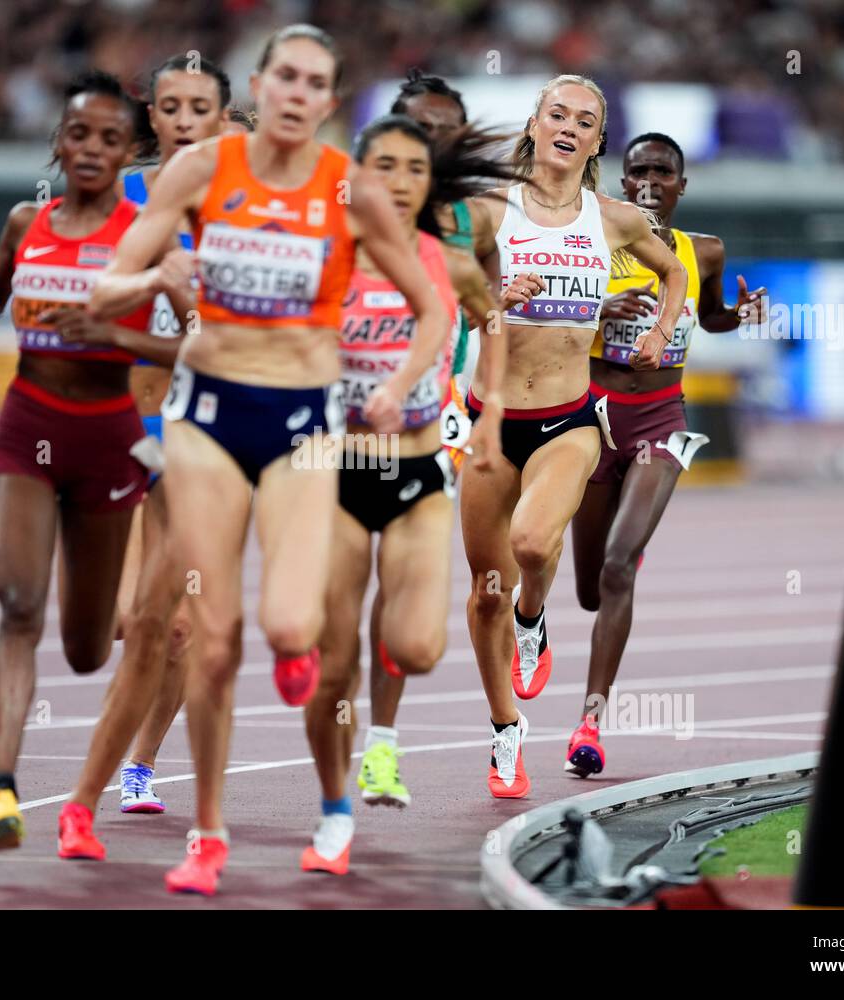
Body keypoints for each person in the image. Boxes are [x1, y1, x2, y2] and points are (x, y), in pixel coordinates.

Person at [77, 25, 451, 896]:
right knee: (207, 637)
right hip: (207, 416)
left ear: (327, 102)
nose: (294, 91)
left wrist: (397, 383)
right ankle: (205, 838)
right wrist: (161, 277)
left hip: (304, 426)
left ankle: (304, 700)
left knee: (292, 629)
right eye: (282, 74)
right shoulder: (203, 170)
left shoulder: (348, 190)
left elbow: (431, 311)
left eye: (313, 82)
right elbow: (108, 284)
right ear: (261, 82)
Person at [0, 71, 177, 849]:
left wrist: (116, 335)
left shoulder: (147, 235)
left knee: (86, 649)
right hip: (26, 425)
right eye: (78, 134)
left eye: (110, 139)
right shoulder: (26, 223)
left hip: (109, 436)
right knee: (18, 608)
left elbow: (194, 344)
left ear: (127, 152)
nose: (90, 149)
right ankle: (1, 791)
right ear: (59, 141)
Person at [302, 114, 518, 873]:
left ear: (430, 186)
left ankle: (383, 742)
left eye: (414, 170)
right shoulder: (322, 258)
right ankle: (335, 813)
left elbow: (495, 325)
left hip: (420, 468)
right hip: (334, 470)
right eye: (383, 166)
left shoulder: (448, 263)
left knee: (415, 644)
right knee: (332, 659)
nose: (397, 182)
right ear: (356, 176)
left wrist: (487, 414)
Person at [464, 74, 687, 799]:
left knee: (531, 546)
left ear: (596, 141)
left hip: (567, 419)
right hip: (490, 417)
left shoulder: (615, 218)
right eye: (556, 113)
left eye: (584, 120)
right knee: (485, 590)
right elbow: (441, 297)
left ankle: (536, 616)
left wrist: (658, 328)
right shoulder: (487, 209)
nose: (568, 126)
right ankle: (506, 732)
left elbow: (674, 271)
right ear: (533, 124)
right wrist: (490, 302)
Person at [50, 58, 235, 855]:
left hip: (202, 435)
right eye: (172, 108)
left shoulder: (247, 214)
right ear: (152, 118)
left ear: (226, 119)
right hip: (116, 427)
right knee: (123, 622)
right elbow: (68, 309)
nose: (187, 120)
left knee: (183, 629)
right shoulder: (116, 201)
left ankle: (138, 769)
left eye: (204, 108)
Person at [566, 131, 766, 776]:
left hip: (661, 418)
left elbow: (709, 319)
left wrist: (739, 313)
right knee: (591, 590)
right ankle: (621, 539)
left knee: (620, 568)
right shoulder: (591, 238)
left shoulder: (702, 251)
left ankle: (590, 724)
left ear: (682, 185)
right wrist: (601, 307)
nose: (650, 179)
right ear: (621, 184)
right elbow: (551, 317)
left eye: (663, 171)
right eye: (638, 171)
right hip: (590, 419)